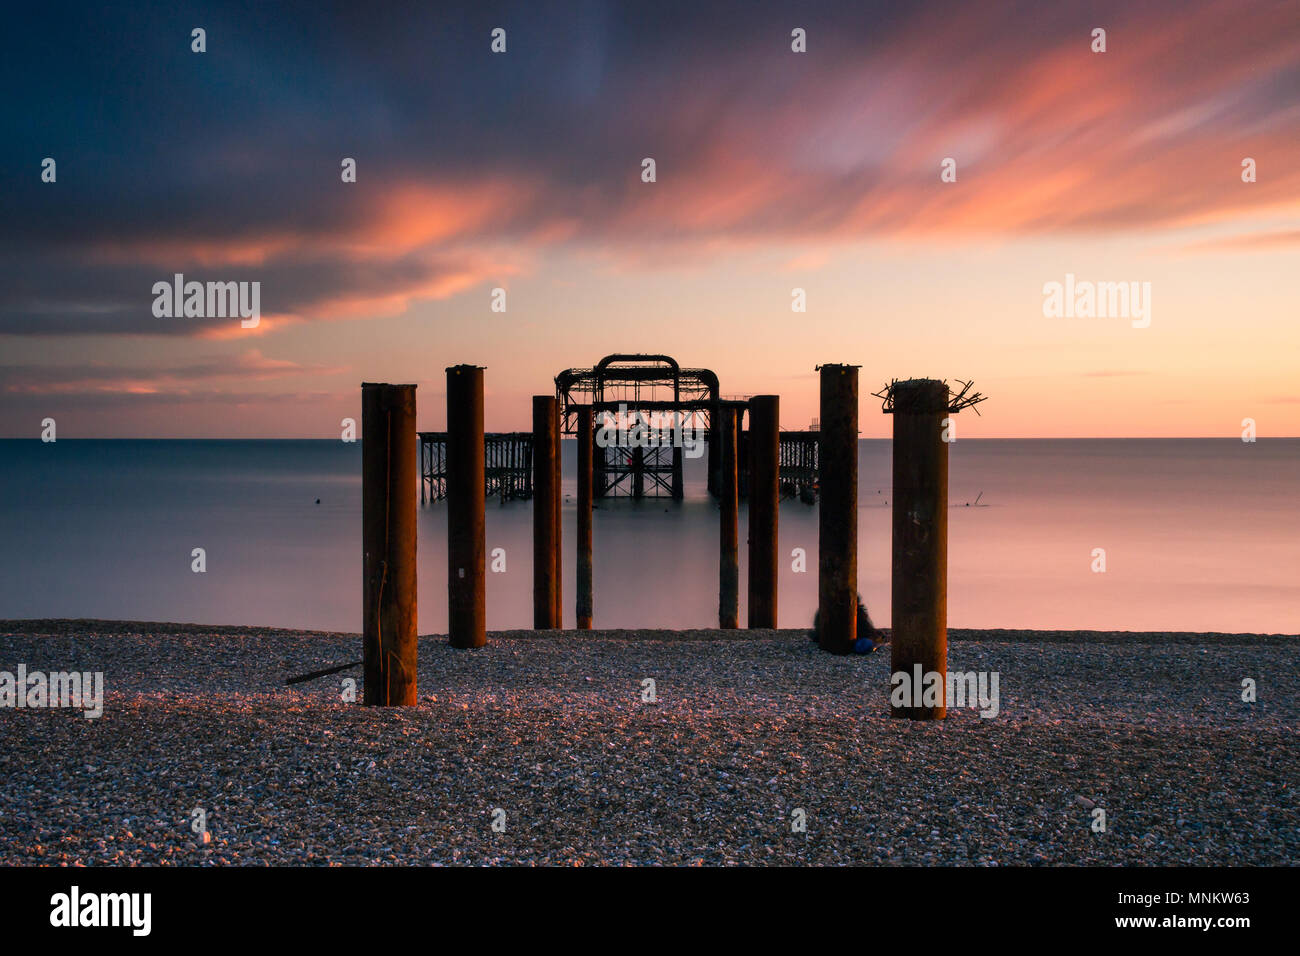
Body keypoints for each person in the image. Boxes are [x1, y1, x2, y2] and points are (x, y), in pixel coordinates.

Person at [810, 593, 887, 653]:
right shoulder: (857, 612)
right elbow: (865, 629)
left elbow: (818, 627)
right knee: (866, 644)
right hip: (849, 643)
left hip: (828, 642)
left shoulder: (825, 611)